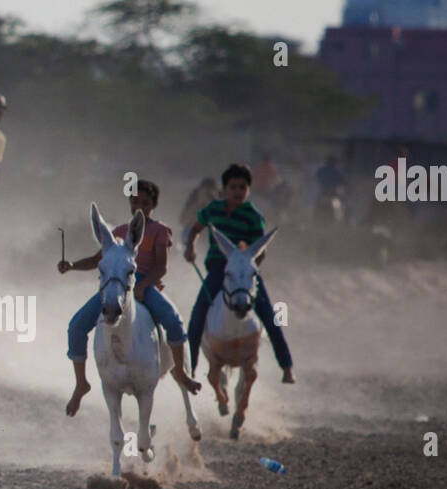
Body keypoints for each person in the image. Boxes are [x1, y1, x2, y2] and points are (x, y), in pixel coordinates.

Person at [58, 180, 203, 417]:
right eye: (135, 202)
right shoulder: (118, 233)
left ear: (153, 205)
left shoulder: (159, 231)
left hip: (144, 285)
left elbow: (161, 267)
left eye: (145, 203)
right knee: (76, 326)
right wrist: (72, 266)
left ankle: (181, 372)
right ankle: (80, 383)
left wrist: (144, 285)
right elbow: (97, 261)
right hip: (116, 286)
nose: (139, 207)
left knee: (173, 320)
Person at [183, 163, 294, 383]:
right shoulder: (212, 210)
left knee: (269, 317)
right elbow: (196, 228)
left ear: (248, 190)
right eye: (233, 187)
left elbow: (260, 250)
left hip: (244, 273)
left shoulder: (253, 216)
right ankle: (191, 368)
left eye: (242, 187)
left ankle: (286, 366)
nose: (237, 192)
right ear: (224, 189)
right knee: (197, 315)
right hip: (219, 269)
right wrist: (190, 247)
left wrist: (250, 268)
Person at [179, 177, 218, 247]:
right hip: (192, 237)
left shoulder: (216, 204)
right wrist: (198, 204)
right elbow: (183, 221)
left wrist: (208, 204)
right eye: (205, 192)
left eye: (209, 193)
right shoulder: (193, 201)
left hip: (207, 238)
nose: (206, 195)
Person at [314, 154, 346, 224]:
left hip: (325, 194)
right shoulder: (337, 172)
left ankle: (318, 221)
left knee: (320, 209)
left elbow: (317, 178)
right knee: (336, 209)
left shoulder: (322, 170)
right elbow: (342, 182)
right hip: (331, 194)